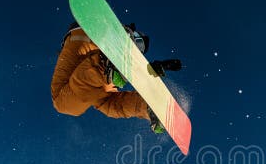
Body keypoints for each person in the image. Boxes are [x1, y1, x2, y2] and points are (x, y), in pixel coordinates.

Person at [51, 22, 179, 133]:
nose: (137, 50)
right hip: (89, 42)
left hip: (83, 42)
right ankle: (107, 67)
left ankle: (150, 107)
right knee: (101, 102)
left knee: (103, 103)